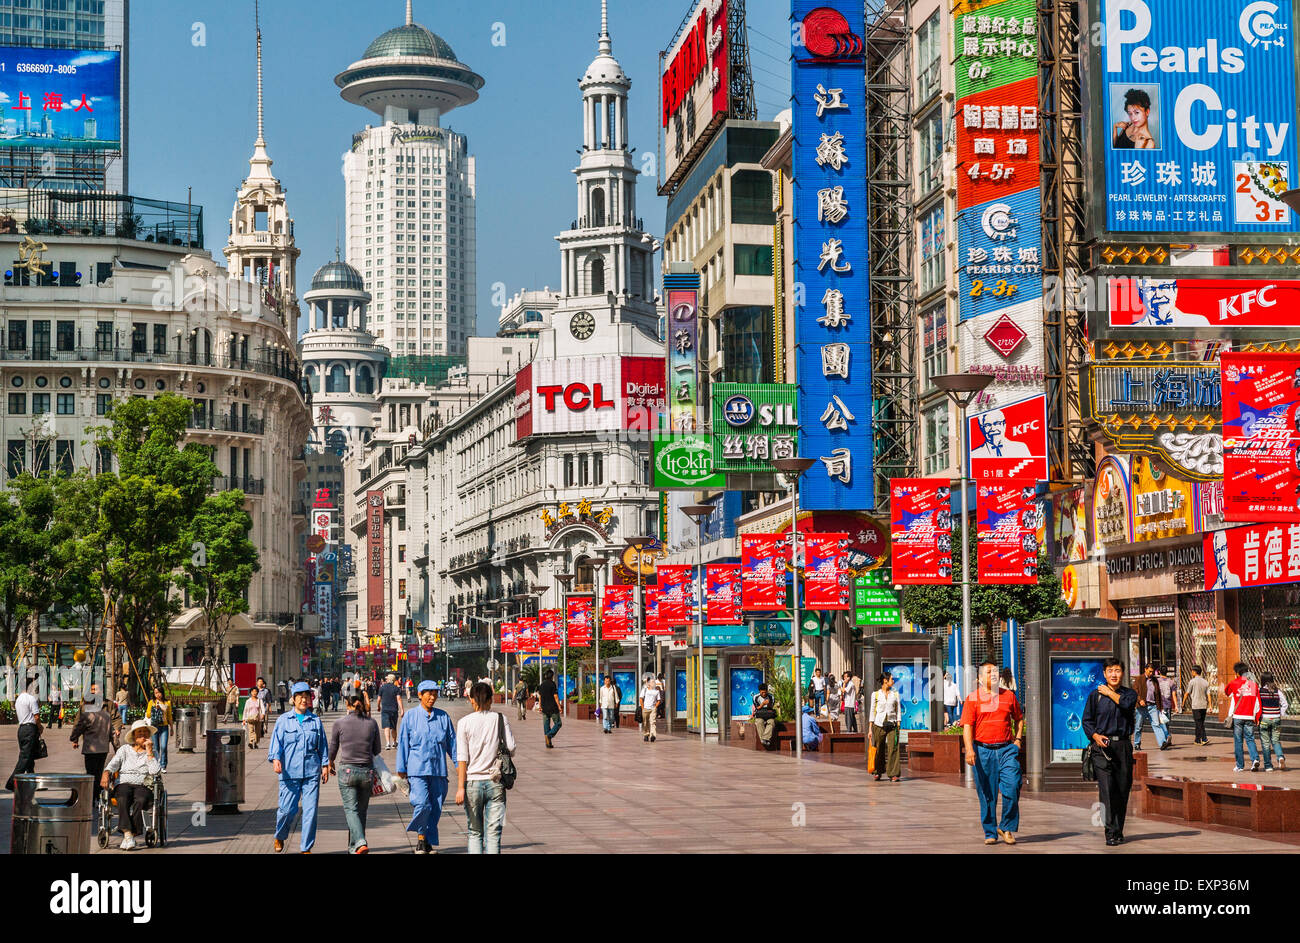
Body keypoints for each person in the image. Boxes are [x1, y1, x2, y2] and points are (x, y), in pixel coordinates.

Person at [961, 660, 1024, 845]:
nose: (994, 674)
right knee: (987, 794)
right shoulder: (973, 698)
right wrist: (970, 750)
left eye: (995, 671)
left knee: (1012, 787)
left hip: (1006, 750)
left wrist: (1018, 740)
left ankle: (1006, 827)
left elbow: (1019, 719)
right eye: (989, 672)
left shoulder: (1009, 696)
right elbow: (967, 727)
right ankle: (990, 831)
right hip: (983, 751)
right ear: (980, 678)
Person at [267, 681, 330, 853]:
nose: (304, 699)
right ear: (293, 699)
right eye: (300, 696)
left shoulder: (315, 721)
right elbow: (276, 744)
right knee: (287, 810)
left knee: (310, 811)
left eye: (306, 696)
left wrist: (325, 764)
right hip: (289, 772)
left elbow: (322, 745)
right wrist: (275, 759)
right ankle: (280, 836)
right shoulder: (283, 721)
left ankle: (306, 848)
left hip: (311, 772)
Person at [1082, 657, 1139, 846]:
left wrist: (1109, 692)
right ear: (1104, 674)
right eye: (1110, 671)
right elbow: (1087, 721)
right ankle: (1110, 832)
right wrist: (1095, 736)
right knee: (1106, 790)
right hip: (1102, 748)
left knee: (1122, 789)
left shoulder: (1130, 694)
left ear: (1122, 673)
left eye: (1117, 670)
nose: (1114, 674)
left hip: (1122, 746)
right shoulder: (1095, 696)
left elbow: (1126, 705)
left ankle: (1118, 829)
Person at [455, 681, 516, 854]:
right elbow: (511, 748)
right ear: (490, 700)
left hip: (472, 784)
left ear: (472, 700)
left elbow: (462, 758)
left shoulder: (463, 723)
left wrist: (460, 788)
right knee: (493, 834)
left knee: (474, 833)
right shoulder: (500, 719)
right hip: (495, 782)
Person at [396, 680, 457, 854]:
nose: (432, 697)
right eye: (429, 693)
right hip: (417, 770)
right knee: (422, 804)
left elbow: (452, 744)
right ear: (420, 695)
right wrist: (401, 769)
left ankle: (426, 842)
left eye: (435, 693)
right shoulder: (410, 716)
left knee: (436, 808)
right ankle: (421, 836)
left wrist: (459, 765)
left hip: (438, 770)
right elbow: (403, 744)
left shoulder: (443, 717)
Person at [329, 693, 382, 854]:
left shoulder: (339, 723)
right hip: (367, 772)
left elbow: (333, 747)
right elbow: (377, 750)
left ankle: (359, 842)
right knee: (361, 811)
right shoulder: (372, 723)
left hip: (347, 771)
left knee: (351, 810)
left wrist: (330, 762)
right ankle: (354, 848)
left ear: (348, 705)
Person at [101, 719, 162, 851]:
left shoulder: (153, 752)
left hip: (143, 785)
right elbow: (113, 764)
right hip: (124, 783)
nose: (143, 735)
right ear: (134, 736)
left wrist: (149, 752)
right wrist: (106, 772)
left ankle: (129, 835)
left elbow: (155, 771)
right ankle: (128, 834)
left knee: (141, 800)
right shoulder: (124, 749)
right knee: (123, 797)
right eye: (139, 733)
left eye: (146, 733)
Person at [69, 692, 122, 789]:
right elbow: (113, 734)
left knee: (91, 774)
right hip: (103, 749)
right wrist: (117, 749)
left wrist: (74, 738)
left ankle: (92, 797)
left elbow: (78, 728)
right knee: (98, 773)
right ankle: (97, 796)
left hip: (91, 750)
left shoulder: (87, 715)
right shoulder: (106, 715)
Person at [1224, 662, 1263, 773]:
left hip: (1238, 717)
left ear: (1237, 673)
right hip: (1250, 716)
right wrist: (1257, 717)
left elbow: (1227, 692)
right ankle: (1255, 759)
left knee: (1238, 741)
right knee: (1250, 739)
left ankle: (1240, 765)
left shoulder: (1234, 683)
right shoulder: (1254, 685)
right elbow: (1257, 702)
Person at [5, 677, 42, 790]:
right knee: (25, 757)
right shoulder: (31, 699)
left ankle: (32, 783)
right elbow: (36, 716)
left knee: (29, 757)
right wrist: (40, 727)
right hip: (29, 729)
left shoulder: (18, 699)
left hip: (21, 729)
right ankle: (11, 783)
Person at [868, 673, 901, 781]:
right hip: (879, 724)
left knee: (893, 748)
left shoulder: (895, 694)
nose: (893, 681)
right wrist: (870, 728)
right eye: (892, 679)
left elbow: (898, 709)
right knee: (878, 748)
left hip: (892, 724)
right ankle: (877, 771)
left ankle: (893, 773)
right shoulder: (876, 694)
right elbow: (872, 710)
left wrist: (898, 722)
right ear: (885, 681)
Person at [1133, 664, 1170, 752]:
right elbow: (1135, 691)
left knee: (1156, 724)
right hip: (1141, 707)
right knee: (1138, 726)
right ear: (1145, 669)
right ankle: (1137, 743)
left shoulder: (1154, 680)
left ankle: (1162, 743)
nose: (1151, 673)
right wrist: (1140, 700)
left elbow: (1158, 694)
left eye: (1152, 671)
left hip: (1153, 706)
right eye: (1150, 671)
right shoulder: (1139, 679)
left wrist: (1160, 707)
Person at [1258, 671, 1288, 772]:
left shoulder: (1260, 691)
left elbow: (1257, 705)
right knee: (1275, 741)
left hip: (1264, 719)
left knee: (1266, 743)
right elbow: (1285, 704)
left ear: (1262, 680)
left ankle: (1268, 766)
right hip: (1276, 718)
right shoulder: (1277, 691)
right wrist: (1280, 714)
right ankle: (1280, 757)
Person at [145, 686, 172, 771]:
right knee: (156, 747)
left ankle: (163, 765)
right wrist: (155, 709)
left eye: (159, 692)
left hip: (164, 727)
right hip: (154, 727)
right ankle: (156, 765)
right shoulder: (151, 702)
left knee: (163, 747)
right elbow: (148, 715)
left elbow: (169, 716)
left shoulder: (167, 703)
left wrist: (172, 728)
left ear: (162, 693)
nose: (157, 694)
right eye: (155, 693)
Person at [1184, 665, 1211, 745]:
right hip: (1204, 705)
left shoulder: (1192, 682)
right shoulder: (1205, 682)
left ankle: (1204, 738)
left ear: (1195, 672)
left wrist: (1183, 703)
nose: (1191, 672)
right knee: (1199, 722)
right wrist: (1210, 706)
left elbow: (1187, 693)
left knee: (1199, 723)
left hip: (1196, 705)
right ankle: (1197, 739)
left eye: (1192, 671)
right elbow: (1208, 695)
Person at [378, 672, 405, 750]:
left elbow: (379, 699)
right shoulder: (396, 688)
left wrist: (378, 706)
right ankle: (394, 742)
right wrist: (402, 709)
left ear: (388, 679)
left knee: (386, 726)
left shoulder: (382, 688)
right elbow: (399, 699)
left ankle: (387, 743)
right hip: (394, 710)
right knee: (393, 727)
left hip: (385, 710)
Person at [538, 669, 561, 748]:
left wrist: (540, 706)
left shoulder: (542, 685)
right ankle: (549, 735)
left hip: (544, 708)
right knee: (558, 723)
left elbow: (540, 697)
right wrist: (559, 706)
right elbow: (555, 696)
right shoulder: (552, 684)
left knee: (546, 725)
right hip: (552, 707)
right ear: (552, 676)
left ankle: (548, 743)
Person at [1157, 667, 1179, 746]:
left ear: (1159, 672)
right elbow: (1174, 695)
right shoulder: (1171, 682)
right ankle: (1167, 738)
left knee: (1161, 722)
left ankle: (1166, 738)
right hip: (1168, 705)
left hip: (1159, 705)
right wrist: (1176, 706)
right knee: (1166, 722)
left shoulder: (1156, 681)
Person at [751, 683, 777, 749]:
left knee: (771, 722)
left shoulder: (771, 697)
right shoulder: (755, 697)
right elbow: (757, 708)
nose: (764, 694)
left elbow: (771, 707)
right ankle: (765, 740)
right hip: (760, 714)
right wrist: (763, 704)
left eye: (765, 692)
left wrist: (768, 704)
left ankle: (764, 739)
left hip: (768, 714)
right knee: (759, 722)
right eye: (762, 693)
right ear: (759, 691)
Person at [242, 682, 266, 749]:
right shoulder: (248, 701)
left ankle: (255, 742)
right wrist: (244, 719)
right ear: (251, 692)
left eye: (256, 691)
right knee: (251, 730)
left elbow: (262, 708)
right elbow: (245, 710)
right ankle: (250, 742)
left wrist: (263, 714)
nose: (254, 693)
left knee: (258, 732)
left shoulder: (259, 700)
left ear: (257, 693)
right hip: (250, 718)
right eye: (253, 691)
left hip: (257, 718)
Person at [639, 673, 661, 743]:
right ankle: (646, 734)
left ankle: (653, 735)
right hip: (645, 708)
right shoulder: (645, 690)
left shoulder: (657, 691)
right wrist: (643, 707)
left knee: (653, 722)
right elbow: (641, 698)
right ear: (649, 683)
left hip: (653, 709)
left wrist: (655, 707)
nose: (653, 683)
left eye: (654, 682)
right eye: (652, 682)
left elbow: (659, 700)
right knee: (645, 723)